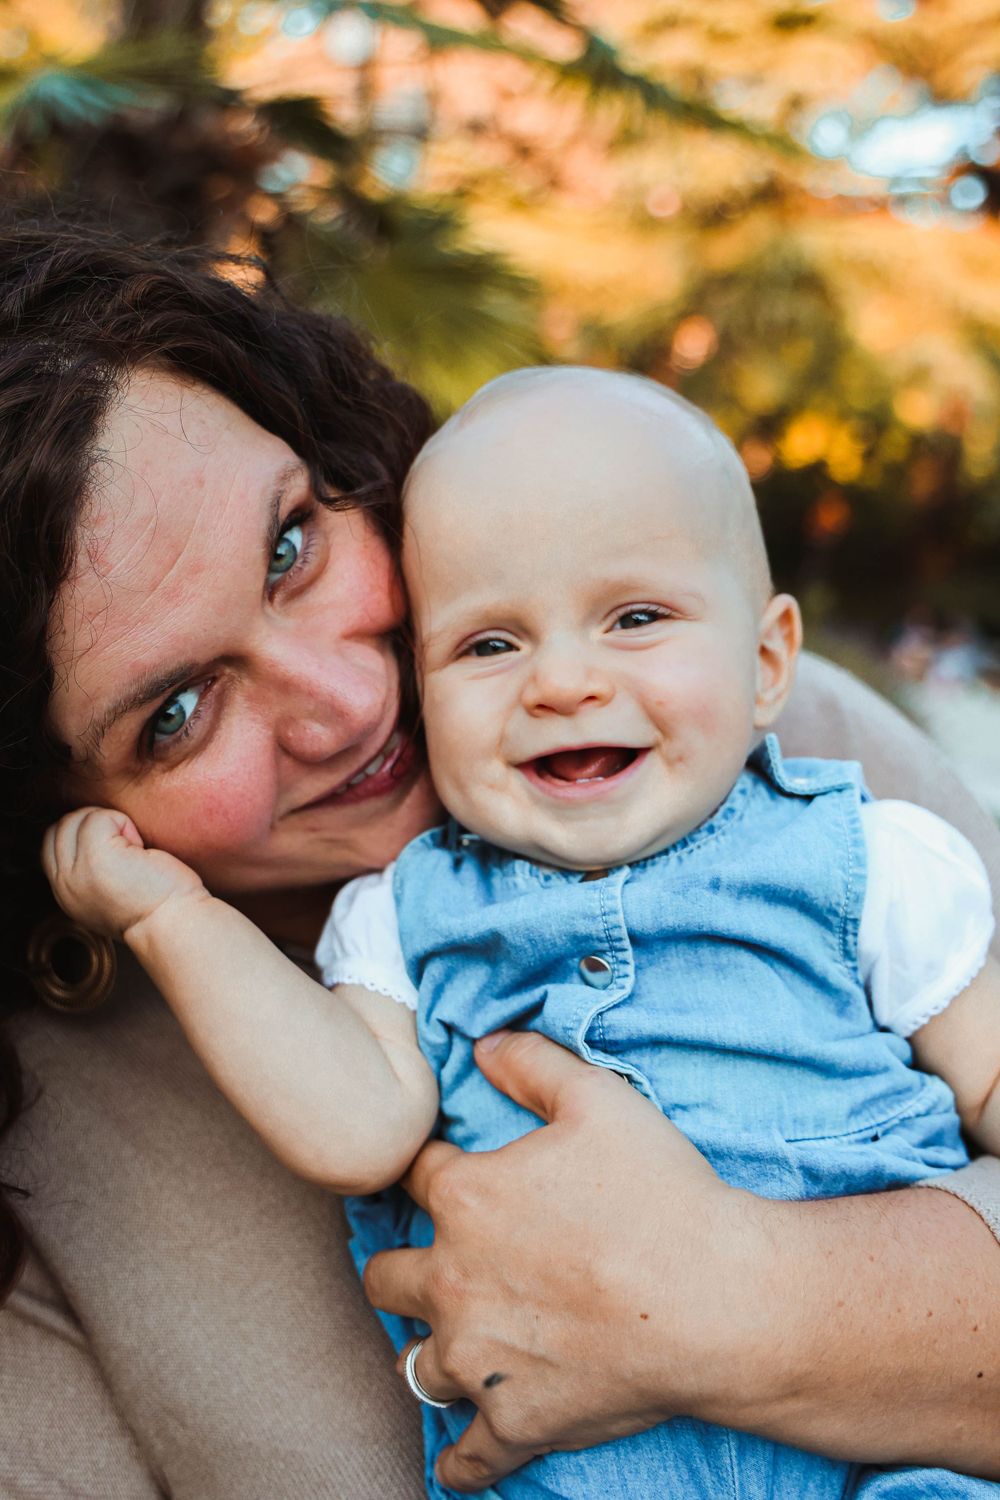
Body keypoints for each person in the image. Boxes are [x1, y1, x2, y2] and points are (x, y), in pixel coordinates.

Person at [1, 222, 999, 1499]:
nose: (350, 699)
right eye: (176, 712)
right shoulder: (55, 1156)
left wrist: (742, 1305)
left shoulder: (796, 764)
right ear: (46, 808)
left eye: (291, 546)